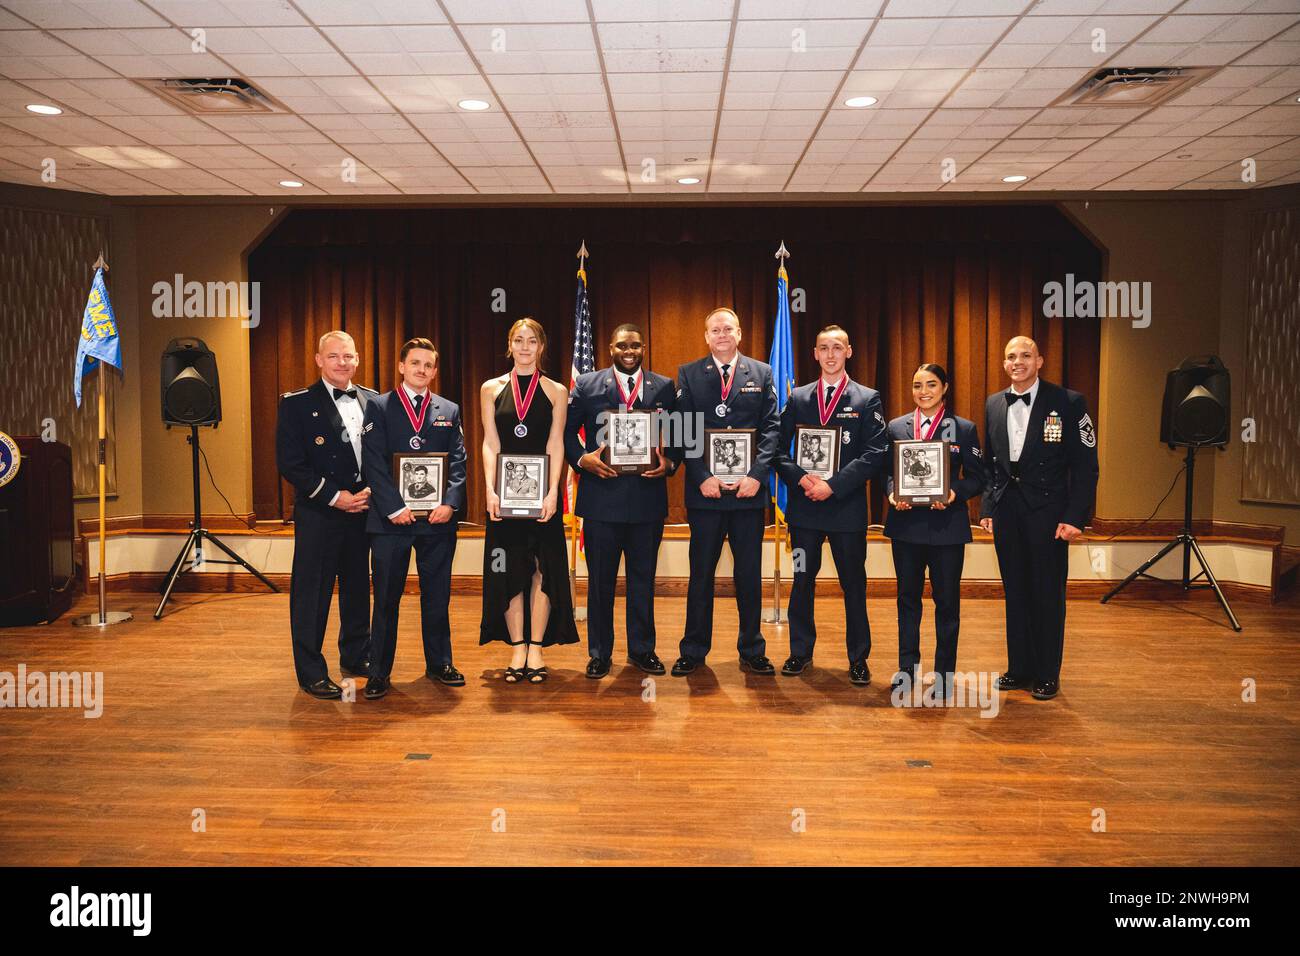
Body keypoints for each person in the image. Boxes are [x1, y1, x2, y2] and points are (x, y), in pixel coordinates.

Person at [979, 336, 1099, 701]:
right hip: (1008, 513)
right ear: (1004, 364)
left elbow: (1085, 466)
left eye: (1026, 355)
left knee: (1047, 595)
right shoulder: (993, 403)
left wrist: (1075, 516)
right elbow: (991, 464)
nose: (1018, 361)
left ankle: (1047, 673)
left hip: (1049, 514)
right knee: (1015, 592)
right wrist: (988, 508)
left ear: (1040, 361)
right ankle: (1019, 668)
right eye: (1011, 356)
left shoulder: (1068, 401)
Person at [565, 323, 680, 679]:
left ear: (643, 347)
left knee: (642, 580)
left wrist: (671, 461)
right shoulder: (587, 385)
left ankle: (642, 650)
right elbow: (567, 431)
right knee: (600, 582)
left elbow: (677, 431)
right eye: (621, 346)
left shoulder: (662, 387)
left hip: (646, 498)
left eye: (635, 345)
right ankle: (599, 653)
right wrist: (582, 459)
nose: (628, 351)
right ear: (609, 348)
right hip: (602, 500)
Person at [773, 325, 887, 684]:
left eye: (838, 347)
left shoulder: (867, 398)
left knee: (853, 584)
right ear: (815, 354)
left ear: (849, 352)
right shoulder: (799, 398)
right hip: (805, 510)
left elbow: (875, 453)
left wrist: (833, 486)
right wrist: (803, 480)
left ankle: (858, 658)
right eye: (824, 348)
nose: (831, 354)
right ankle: (799, 652)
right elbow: (776, 449)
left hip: (846, 511)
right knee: (802, 580)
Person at [672, 307, 780, 677]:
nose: (721, 334)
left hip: (749, 494)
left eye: (728, 328)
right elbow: (682, 429)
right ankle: (693, 649)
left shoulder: (762, 373)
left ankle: (752, 649)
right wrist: (701, 475)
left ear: (740, 333)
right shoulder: (688, 373)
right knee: (701, 574)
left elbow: (771, 430)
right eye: (715, 330)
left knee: (748, 574)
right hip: (706, 495)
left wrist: (757, 475)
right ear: (706, 336)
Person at [361, 337, 467, 700]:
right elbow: (372, 461)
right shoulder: (379, 406)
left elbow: (458, 461)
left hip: (437, 521)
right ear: (402, 367)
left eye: (428, 365)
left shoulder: (448, 409)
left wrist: (450, 503)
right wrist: (394, 507)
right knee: (387, 598)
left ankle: (440, 663)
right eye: (415, 363)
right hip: (391, 521)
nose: (421, 370)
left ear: (434, 371)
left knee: (437, 596)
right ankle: (378, 672)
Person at [275, 330, 375, 700]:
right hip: (321, 512)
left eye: (348, 356)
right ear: (319, 360)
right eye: (334, 356)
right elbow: (291, 463)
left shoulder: (373, 400)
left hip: (363, 509)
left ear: (357, 359)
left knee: (356, 588)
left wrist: (369, 493)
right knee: (312, 593)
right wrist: (336, 497)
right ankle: (311, 671)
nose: (342, 363)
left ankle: (356, 654)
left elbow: (380, 455)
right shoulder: (296, 403)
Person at [480, 317, 579, 683]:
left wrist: (553, 492)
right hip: (503, 498)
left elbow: (556, 443)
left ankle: (536, 647)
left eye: (532, 341)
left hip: (542, 498)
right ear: (510, 345)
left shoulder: (556, 391)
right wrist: (490, 489)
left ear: (541, 347)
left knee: (542, 569)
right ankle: (517, 645)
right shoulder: (490, 388)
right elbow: (491, 443)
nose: (525, 347)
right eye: (518, 340)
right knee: (508, 570)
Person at [884, 363, 986, 698]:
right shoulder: (896, 427)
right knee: (907, 601)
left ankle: (944, 674)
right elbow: (886, 472)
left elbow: (977, 477)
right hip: (906, 527)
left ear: (944, 387)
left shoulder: (964, 429)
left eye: (930, 384)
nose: (923, 391)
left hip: (947, 529)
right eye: (917, 385)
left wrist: (955, 493)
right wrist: (892, 493)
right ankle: (907, 669)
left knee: (947, 603)